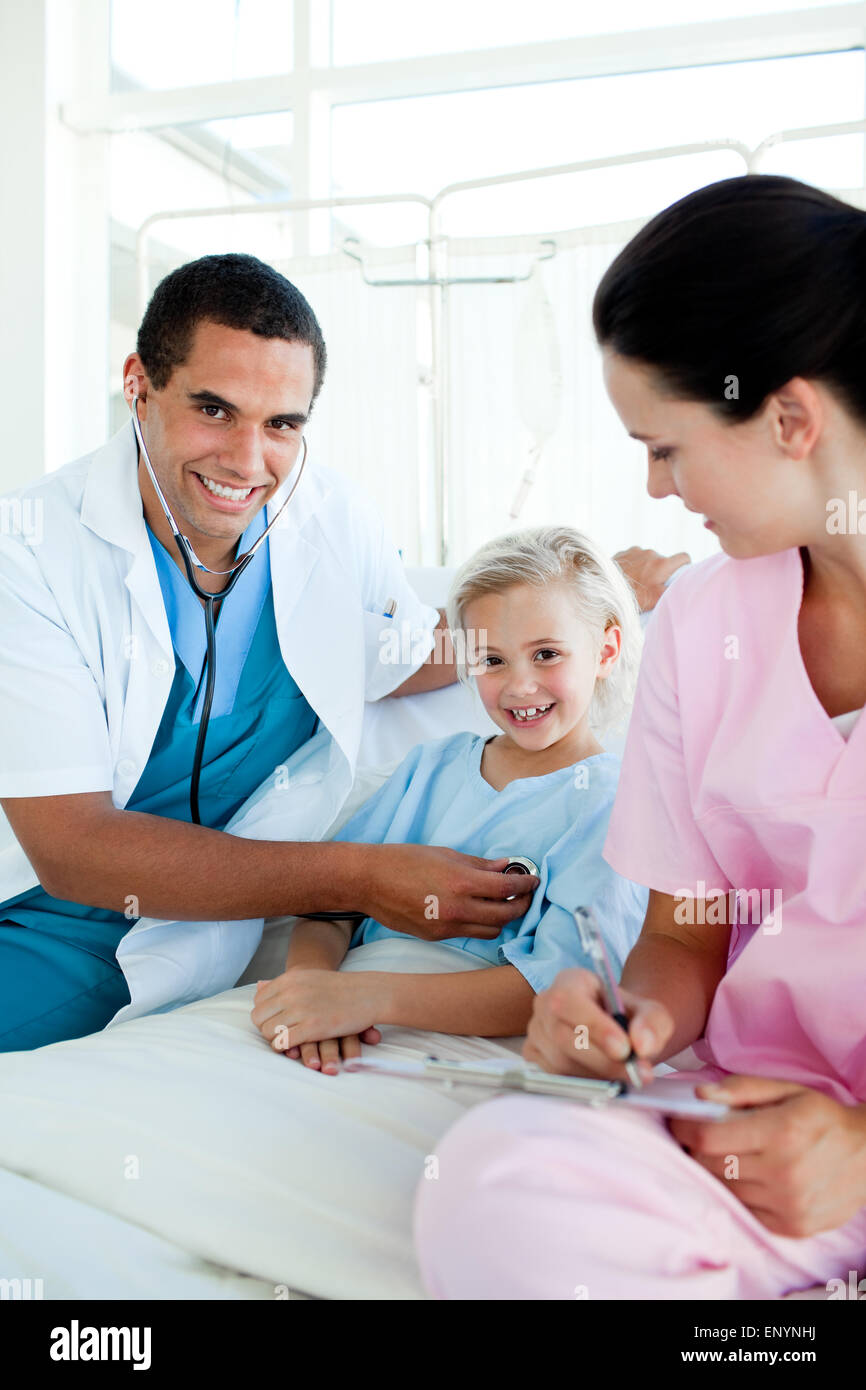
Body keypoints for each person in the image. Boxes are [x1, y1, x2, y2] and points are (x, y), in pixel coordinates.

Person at [414, 173, 866, 1300]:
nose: (653, 489)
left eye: (663, 446)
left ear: (788, 418)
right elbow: (687, 927)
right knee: (490, 1182)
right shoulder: (709, 621)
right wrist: (636, 1018)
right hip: (744, 1131)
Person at [0, 253, 539, 1052]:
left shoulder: (330, 517)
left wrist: (579, 594)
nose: (249, 462)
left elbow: (398, 653)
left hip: (189, 929)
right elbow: (74, 850)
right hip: (37, 915)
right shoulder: (29, 550)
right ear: (138, 384)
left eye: (282, 423)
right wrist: (361, 876)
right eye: (214, 410)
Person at [249, 526, 648, 1071]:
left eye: (547, 654)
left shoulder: (614, 803)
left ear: (605, 651)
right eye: (492, 660)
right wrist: (307, 987)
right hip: (342, 1009)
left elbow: (555, 990)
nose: (519, 687)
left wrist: (369, 998)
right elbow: (332, 905)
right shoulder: (429, 768)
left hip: (468, 1037)